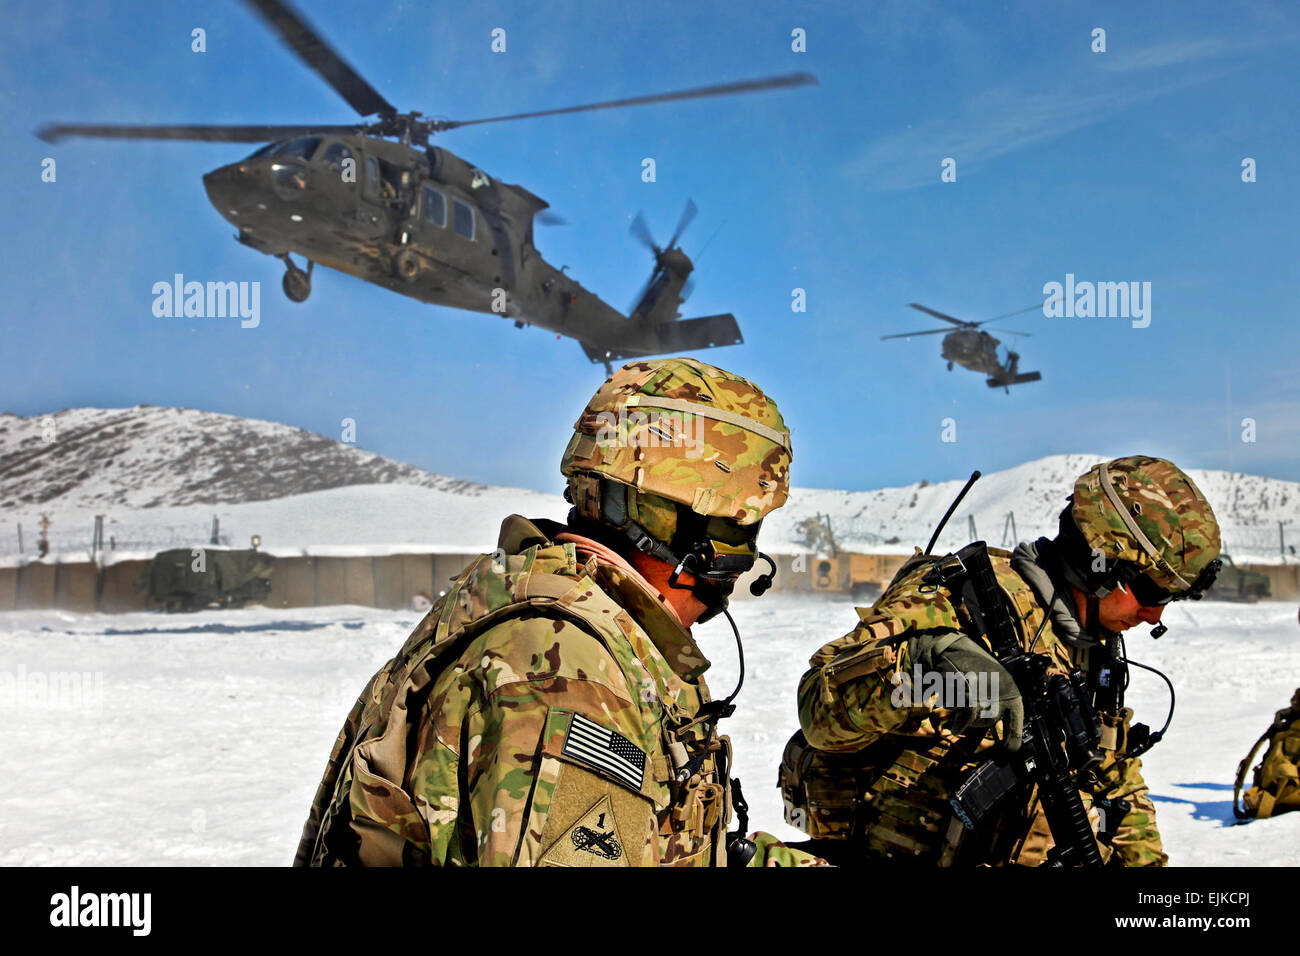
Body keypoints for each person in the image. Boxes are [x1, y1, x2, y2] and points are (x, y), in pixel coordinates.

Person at [295, 357, 823, 867]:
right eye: (737, 533)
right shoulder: (565, 675)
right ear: (668, 526)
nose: (740, 565)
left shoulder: (565, 615)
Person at [780, 455, 1222, 866]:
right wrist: (922, 665)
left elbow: (1114, 770)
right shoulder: (962, 601)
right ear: (1099, 565)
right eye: (1150, 593)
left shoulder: (1091, 646)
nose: (1154, 615)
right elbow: (819, 710)